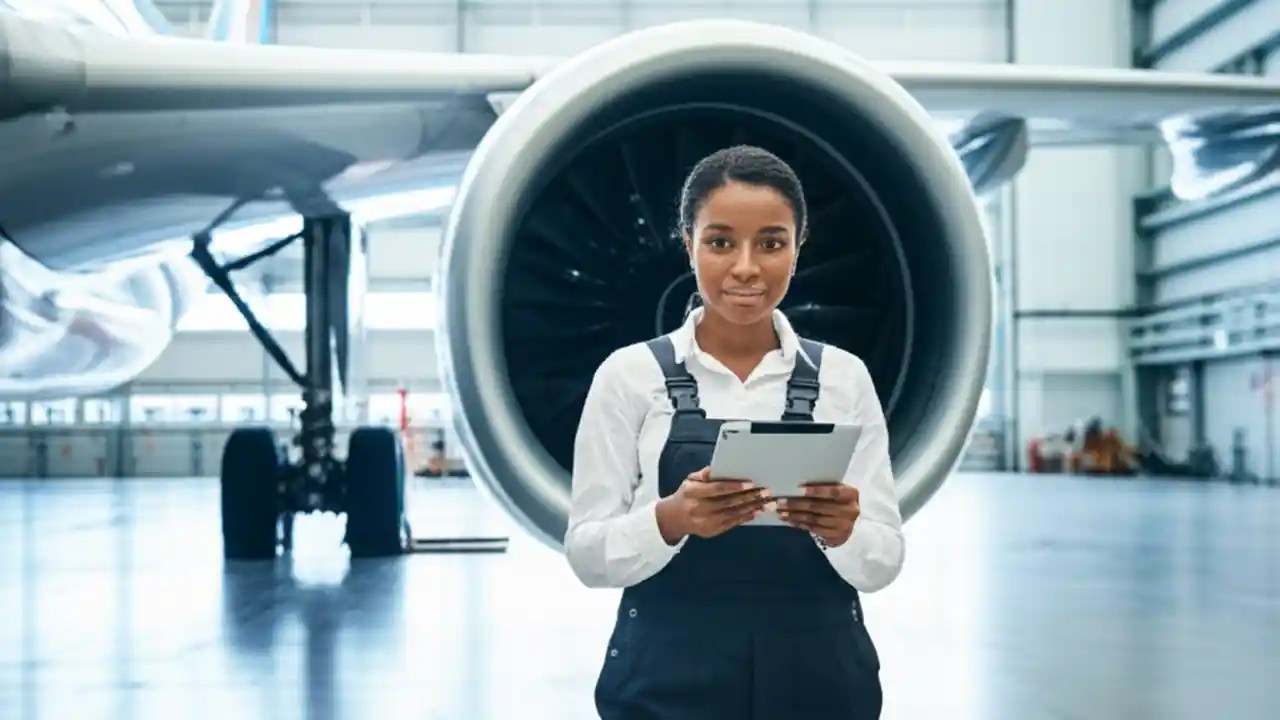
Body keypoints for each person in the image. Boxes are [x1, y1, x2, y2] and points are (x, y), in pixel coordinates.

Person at [564, 145, 905, 719]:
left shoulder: (845, 379)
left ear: (799, 248)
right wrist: (670, 521)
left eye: (771, 243)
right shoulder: (629, 376)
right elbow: (586, 554)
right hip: (666, 682)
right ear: (688, 242)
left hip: (820, 681)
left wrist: (845, 532)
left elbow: (885, 558)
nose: (746, 267)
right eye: (720, 242)